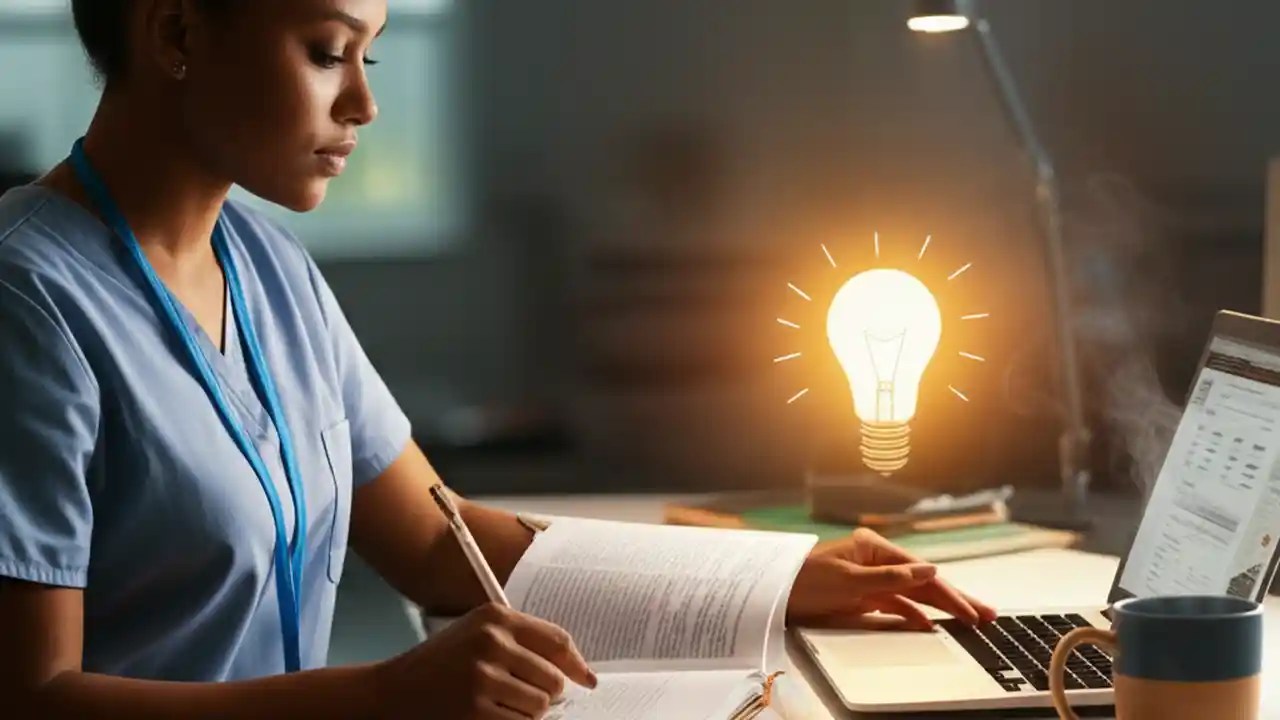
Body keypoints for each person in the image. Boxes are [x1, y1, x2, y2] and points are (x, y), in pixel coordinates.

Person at [0, 1, 997, 718]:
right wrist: (386, 698)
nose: (362, 105)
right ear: (175, 33)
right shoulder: (28, 300)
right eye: (324, 52)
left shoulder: (267, 266)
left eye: (371, 60)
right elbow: (31, 698)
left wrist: (777, 577)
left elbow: (443, 550)